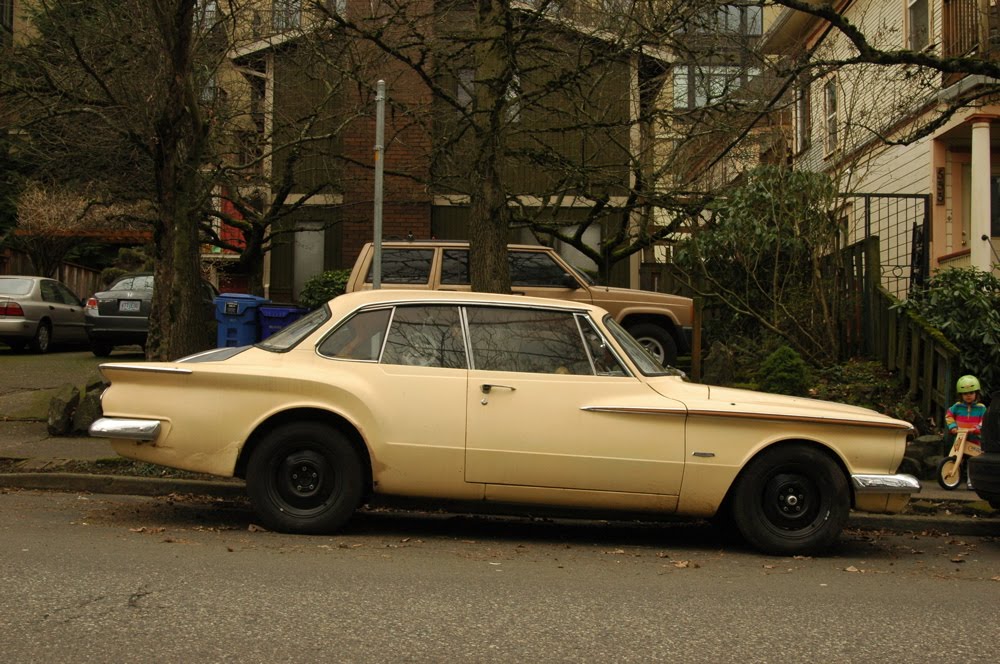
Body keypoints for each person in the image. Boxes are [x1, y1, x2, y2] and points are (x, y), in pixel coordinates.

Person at [945, 375, 987, 489]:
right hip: (959, 437)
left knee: (972, 460)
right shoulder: (957, 407)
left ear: (976, 393)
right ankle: (954, 476)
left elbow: (985, 421)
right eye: (965, 393)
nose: (968, 396)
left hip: (974, 439)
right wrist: (953, 426)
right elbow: (948, 415)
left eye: (971, 393)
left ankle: (971, 481)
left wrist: (976, 429)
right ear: (961, 395)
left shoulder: (981, 408)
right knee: (956, 457)